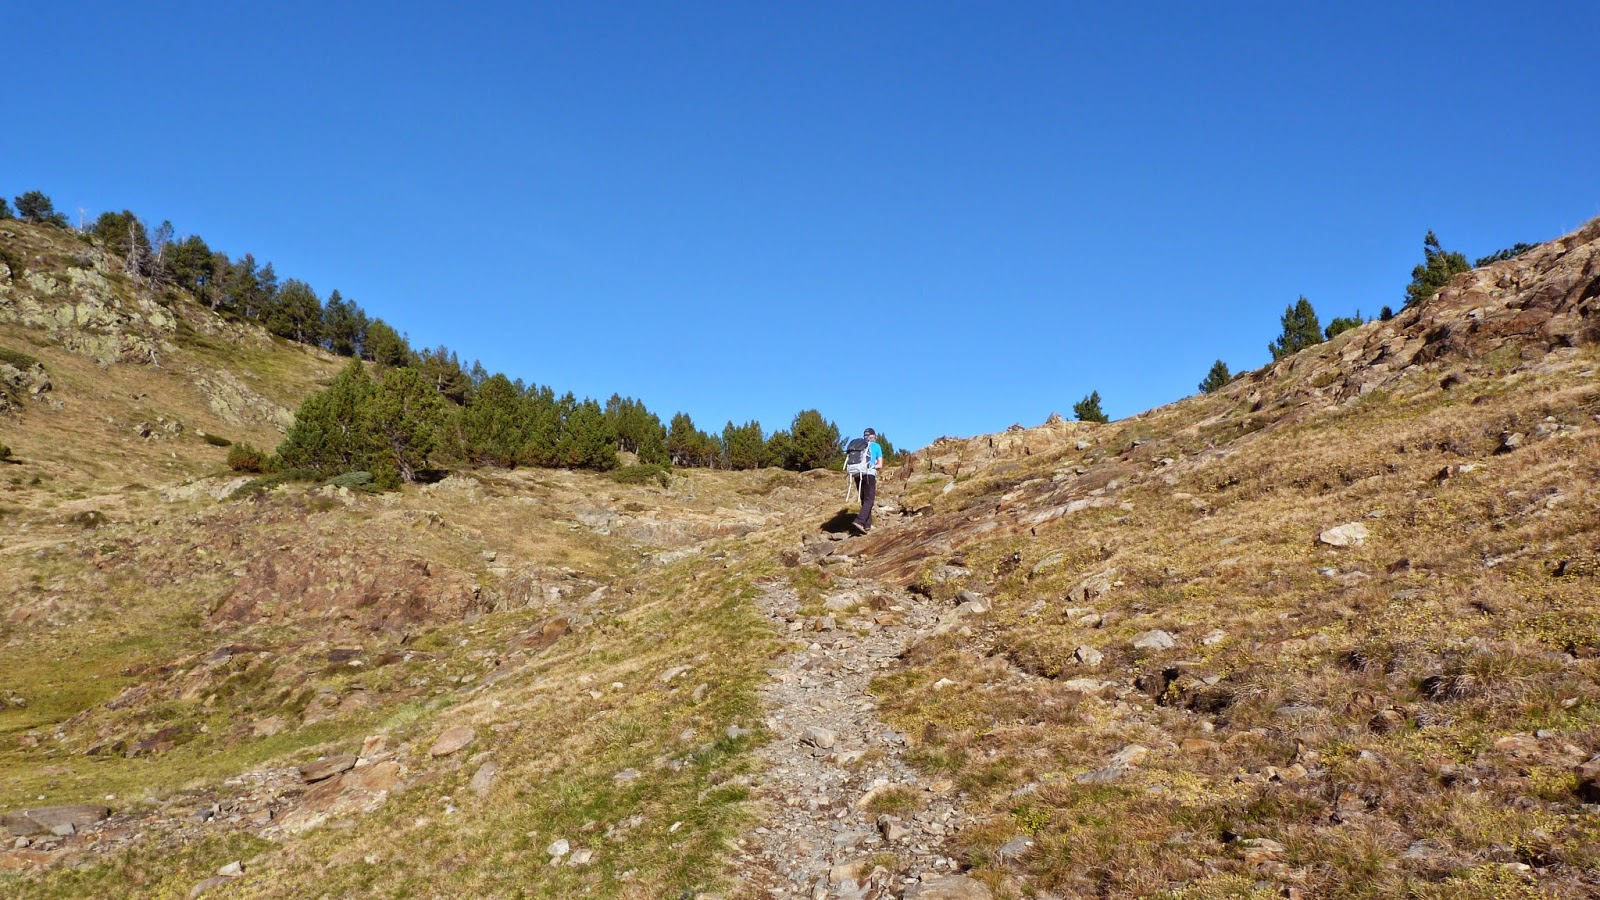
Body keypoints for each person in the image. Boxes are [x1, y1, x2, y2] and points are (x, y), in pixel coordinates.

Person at [849, 428, 883, 534]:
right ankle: (859, 521)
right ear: (874, 436)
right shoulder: (876, 446)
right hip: (869, 474)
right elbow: (880, 465)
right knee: (869, 499)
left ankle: (867, 525)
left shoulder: (860, 445)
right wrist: (873, 465)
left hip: (857, 473)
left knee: (864, 499)